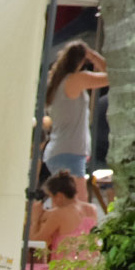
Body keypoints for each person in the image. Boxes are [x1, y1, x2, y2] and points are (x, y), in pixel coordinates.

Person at [42, 41, 108, 180]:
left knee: (69, 200)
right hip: (70, 152)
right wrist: (94, 56)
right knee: (77, 201)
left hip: (57, 150)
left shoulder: (56, 82)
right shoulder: (77, 79)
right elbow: (114, 77)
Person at [29, 169, 99, 270]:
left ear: (59, 196)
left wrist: (34, 220)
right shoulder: (91, 209)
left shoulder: (59, 214)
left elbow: (36, 241)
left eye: (51, 197)